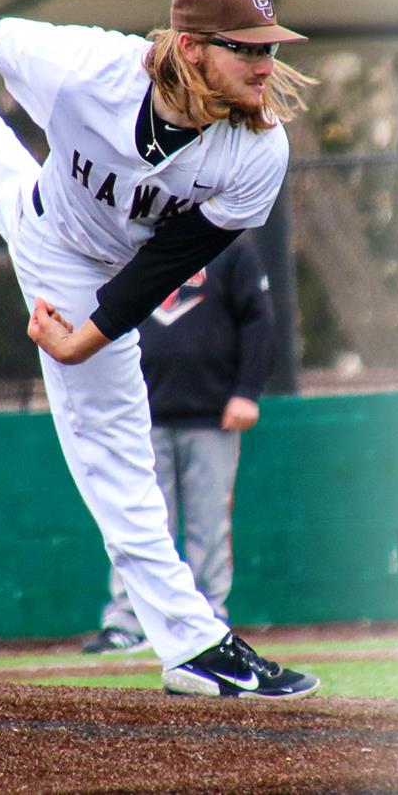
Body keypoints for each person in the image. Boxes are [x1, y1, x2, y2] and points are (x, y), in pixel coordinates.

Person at [0, 0, 321, 698]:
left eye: (269, 47)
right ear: (190, 46)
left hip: (104, 263)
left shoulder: (258, 150)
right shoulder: (86, 68)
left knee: (18, 193)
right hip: (58, 247)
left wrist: (84, 337)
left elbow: (163, 265)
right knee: (117, 457)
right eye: (245, 47)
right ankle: (193, 645)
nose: (264, 62)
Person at [80, 236, 276, 656]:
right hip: (137, 418)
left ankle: (207, 623)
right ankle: (129, 622)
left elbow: (258, 319)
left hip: (212, 415)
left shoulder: (229, 245)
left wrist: (247, 391)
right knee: (136, 523)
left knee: (209, 527)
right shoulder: (124, 241)